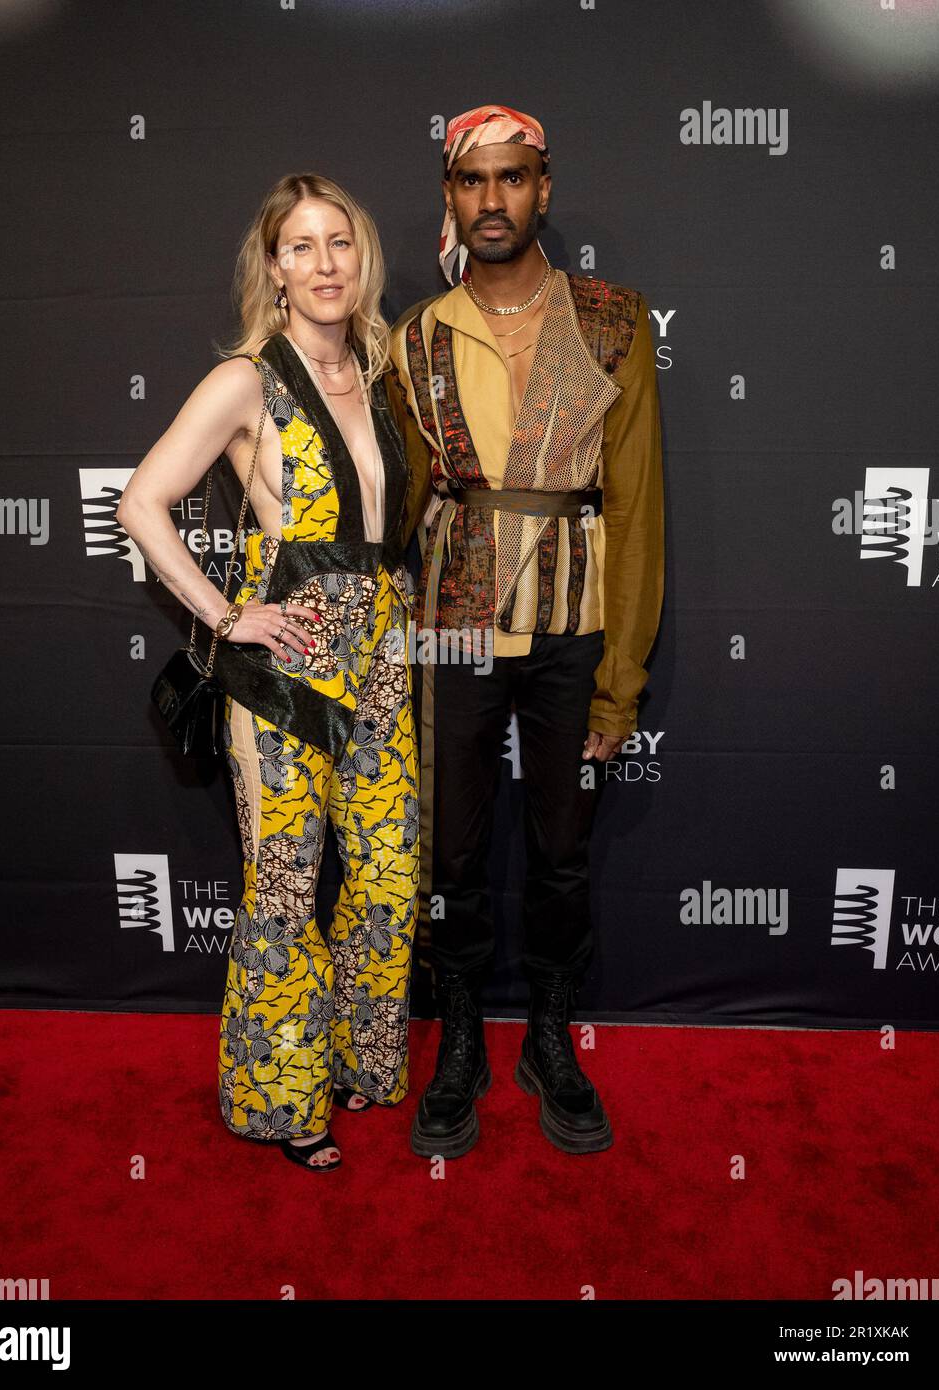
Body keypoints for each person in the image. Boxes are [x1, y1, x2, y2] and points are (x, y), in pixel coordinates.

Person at [117, 173, 419, 1172]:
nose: (324, 263)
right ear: (273, 267)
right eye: (301, 246)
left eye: (340, 242)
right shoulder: (247, 376)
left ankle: (356, 1057)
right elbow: (142, 501)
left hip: (380, 652)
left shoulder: (379, 369)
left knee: (385, 877)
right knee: (285, 889)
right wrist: (226, 612)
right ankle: (279, 1097)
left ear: (359, 259)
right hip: (288, 658)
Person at [387, 105, 665, 1158]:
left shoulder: (610, 319)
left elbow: (636, 507)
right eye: (470, 181)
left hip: (572, 623)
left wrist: (620, 681)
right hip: (450, 624)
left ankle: (549, 1035)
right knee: (450, 847)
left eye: (511, 179)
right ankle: (459, 1036)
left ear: (543, 187)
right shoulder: (414, 338)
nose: (490, 199)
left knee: (559, 849)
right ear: (448, 195)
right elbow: (395, 499)